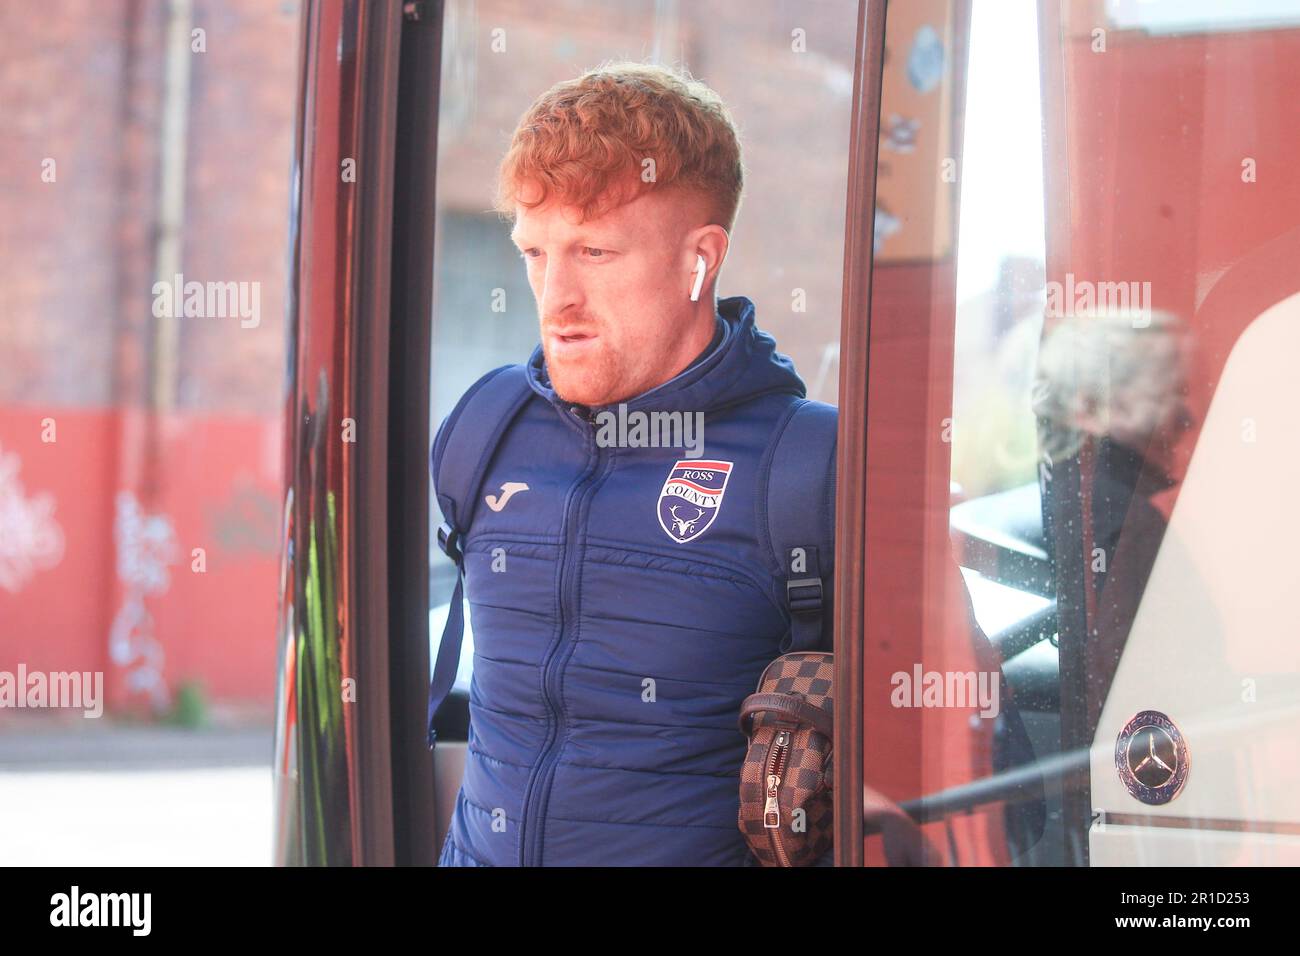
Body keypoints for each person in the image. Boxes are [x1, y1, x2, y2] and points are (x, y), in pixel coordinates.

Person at [432, 61, 836, 866]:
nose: (555, 297)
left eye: (594, 251)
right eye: (536, 252)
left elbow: (956, 745)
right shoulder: (486, 428)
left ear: (700, 259)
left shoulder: (810, 466)